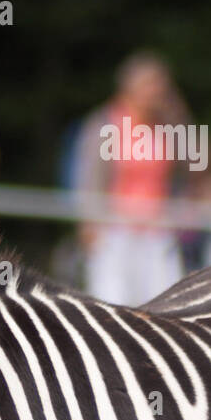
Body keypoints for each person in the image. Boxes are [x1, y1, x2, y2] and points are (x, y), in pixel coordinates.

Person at [71, 51, 190, 305]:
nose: (157, 92)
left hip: (158, 229)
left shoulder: (168, 125)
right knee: (113, 301)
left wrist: (180, 117)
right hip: (115, 227)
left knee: (165, 302)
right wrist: (88, 221)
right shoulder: (106, 122)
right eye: (151, 85)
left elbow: (194, 165)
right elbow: (88, 175)